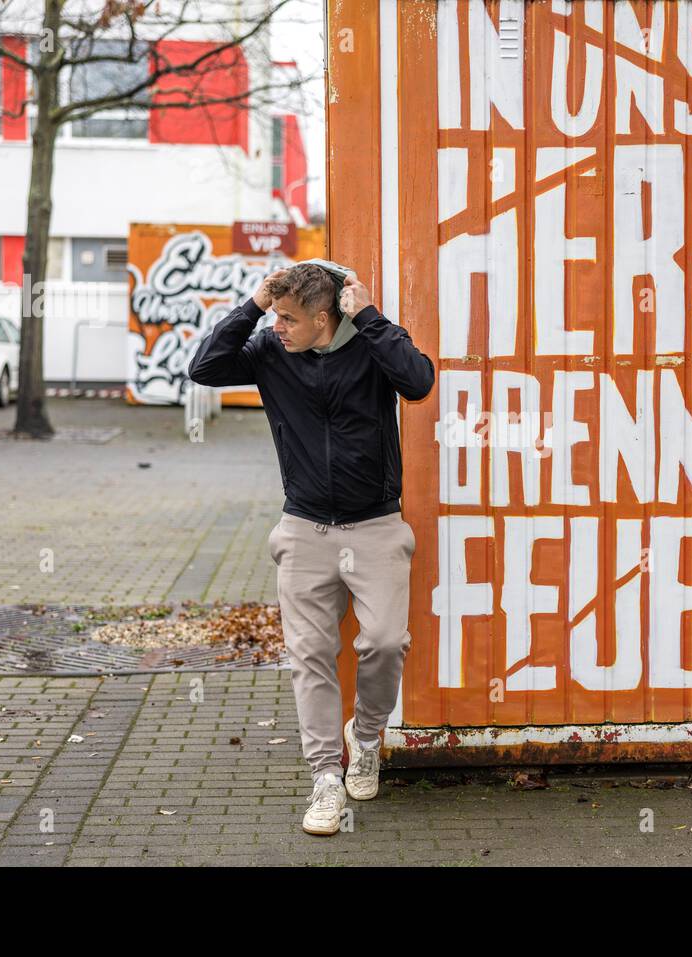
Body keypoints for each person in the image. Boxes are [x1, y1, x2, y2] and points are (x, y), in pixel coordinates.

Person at [187, 260, 434, 835]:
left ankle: (366, 736)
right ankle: (326, 779)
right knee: (310, 659)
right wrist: (252, 305)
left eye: (288, 318)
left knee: (384, 642)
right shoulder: (271, 353)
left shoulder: (372, 345)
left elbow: (418, 382)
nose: (277, 327)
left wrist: (369, 316)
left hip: (375, 525)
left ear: (324, 316)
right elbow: (204, 368)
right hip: (303, 530)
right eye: (273, 317)